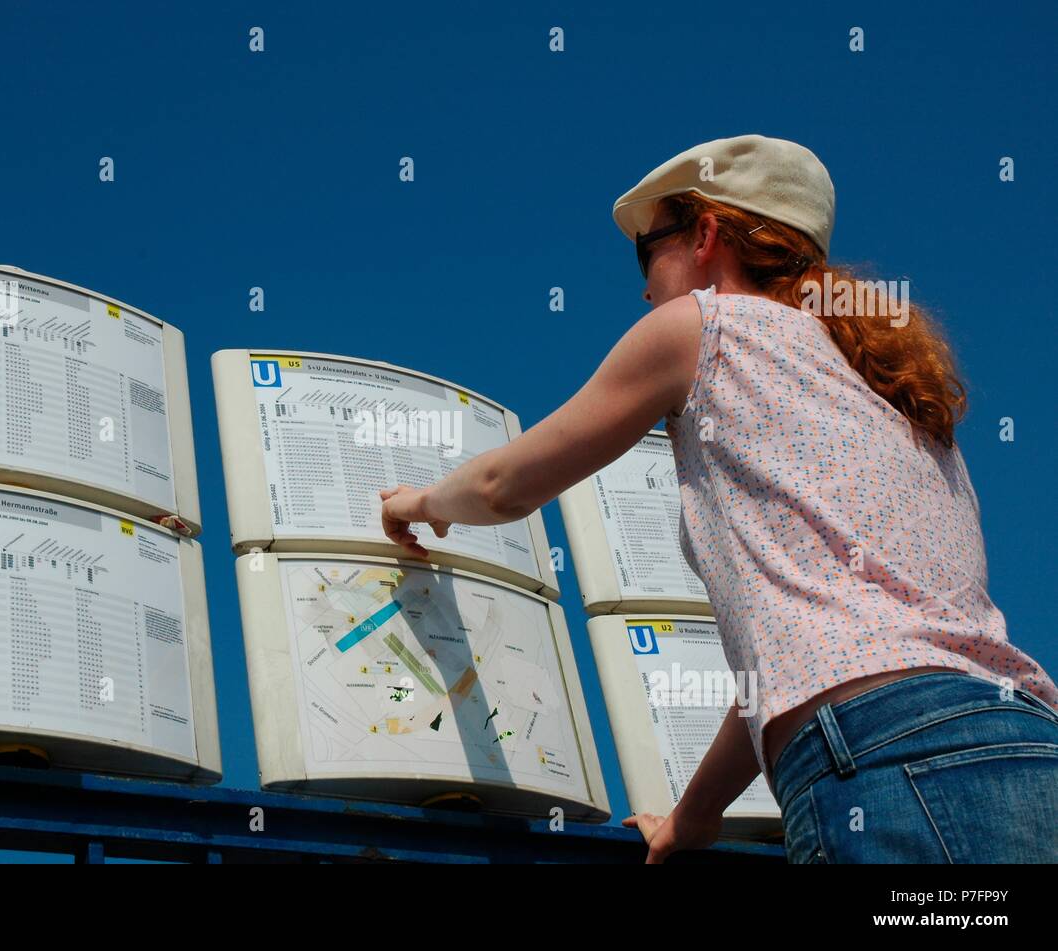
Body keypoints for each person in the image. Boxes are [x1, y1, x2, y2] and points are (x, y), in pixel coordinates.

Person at [378, 134, 1058, 863]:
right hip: (1027, 745)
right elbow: (808, 658)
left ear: (706, 235)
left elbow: (500, 487)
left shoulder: (706, 327)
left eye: (647, 250)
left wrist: (419, 504)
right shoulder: (907, 407)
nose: (642, 287)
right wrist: (696, 815)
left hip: (883, 759)